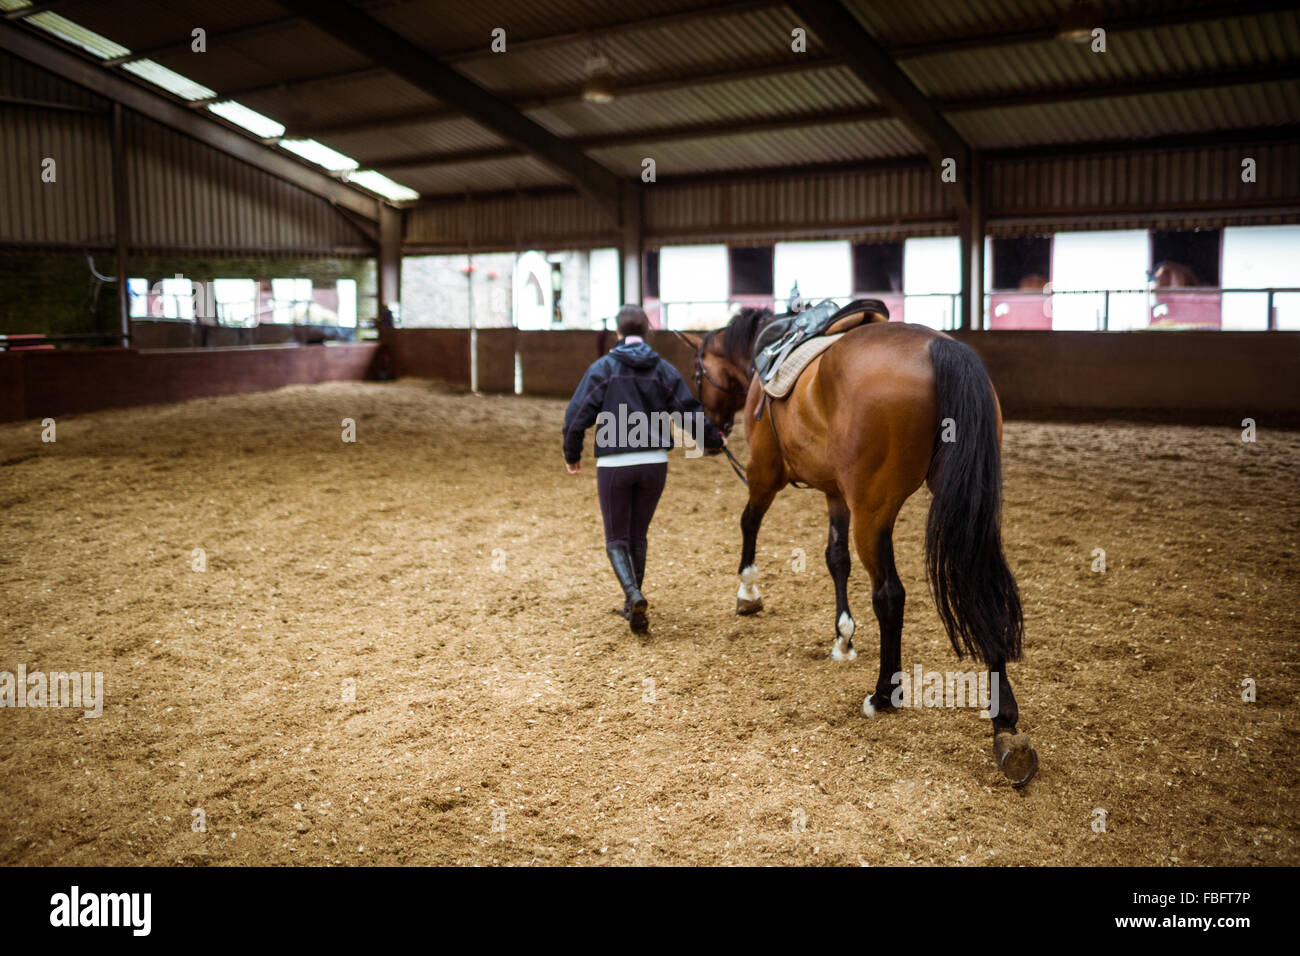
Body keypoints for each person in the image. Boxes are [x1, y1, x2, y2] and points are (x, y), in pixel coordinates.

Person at [562, 304, 725, 633]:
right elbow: (686, 410)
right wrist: (713, 440)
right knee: (638, 535)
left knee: (616, 539)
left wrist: (572, 451)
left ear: (617, 331)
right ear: (647, 331)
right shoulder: (663, 369)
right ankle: (630, 602)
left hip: (615, 464)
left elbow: (576, 413)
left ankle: (633, 594)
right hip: (654, 463)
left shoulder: (603, 368)